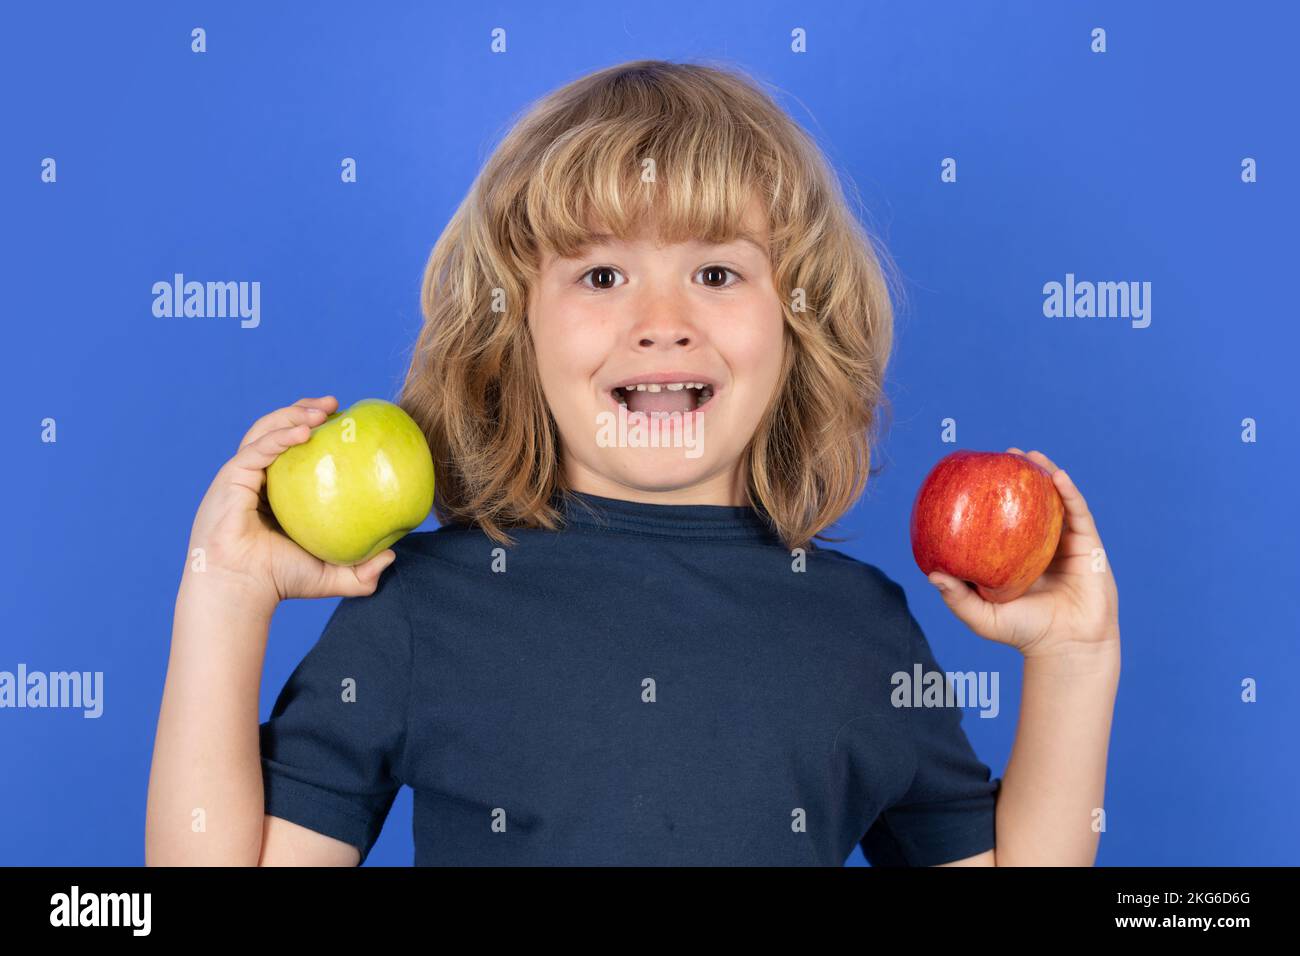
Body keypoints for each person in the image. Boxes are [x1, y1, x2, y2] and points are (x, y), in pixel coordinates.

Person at [146, 59, 1120, 866]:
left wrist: (1074, 662)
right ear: (514, 327)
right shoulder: (416, 611)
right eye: (602, 275)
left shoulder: (862, 625)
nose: (662, 323)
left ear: (797, 323)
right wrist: (223, 591)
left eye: (716, 272)